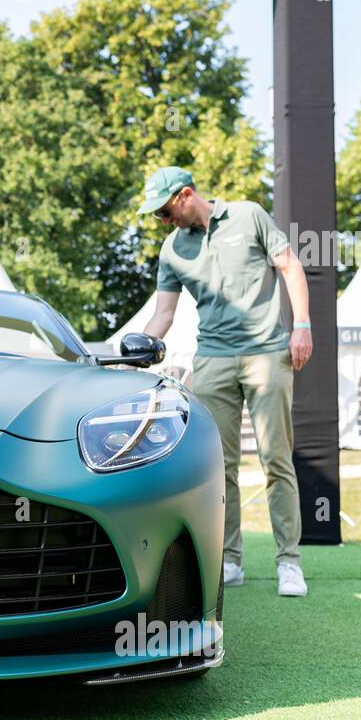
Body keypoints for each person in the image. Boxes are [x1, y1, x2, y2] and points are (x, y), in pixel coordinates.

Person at [137, 167, 313, 597]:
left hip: (268, 353)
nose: (163, 221)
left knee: (276, 460)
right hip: (213, 361)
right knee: (221, 467)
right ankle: (230, 560)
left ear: (186, 195)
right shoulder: (172, 250)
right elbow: (163, 315)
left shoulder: (248, 215)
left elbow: (290, 267)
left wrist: (303, 326)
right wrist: (131, 350)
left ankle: (289, 563)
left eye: (164, 211)